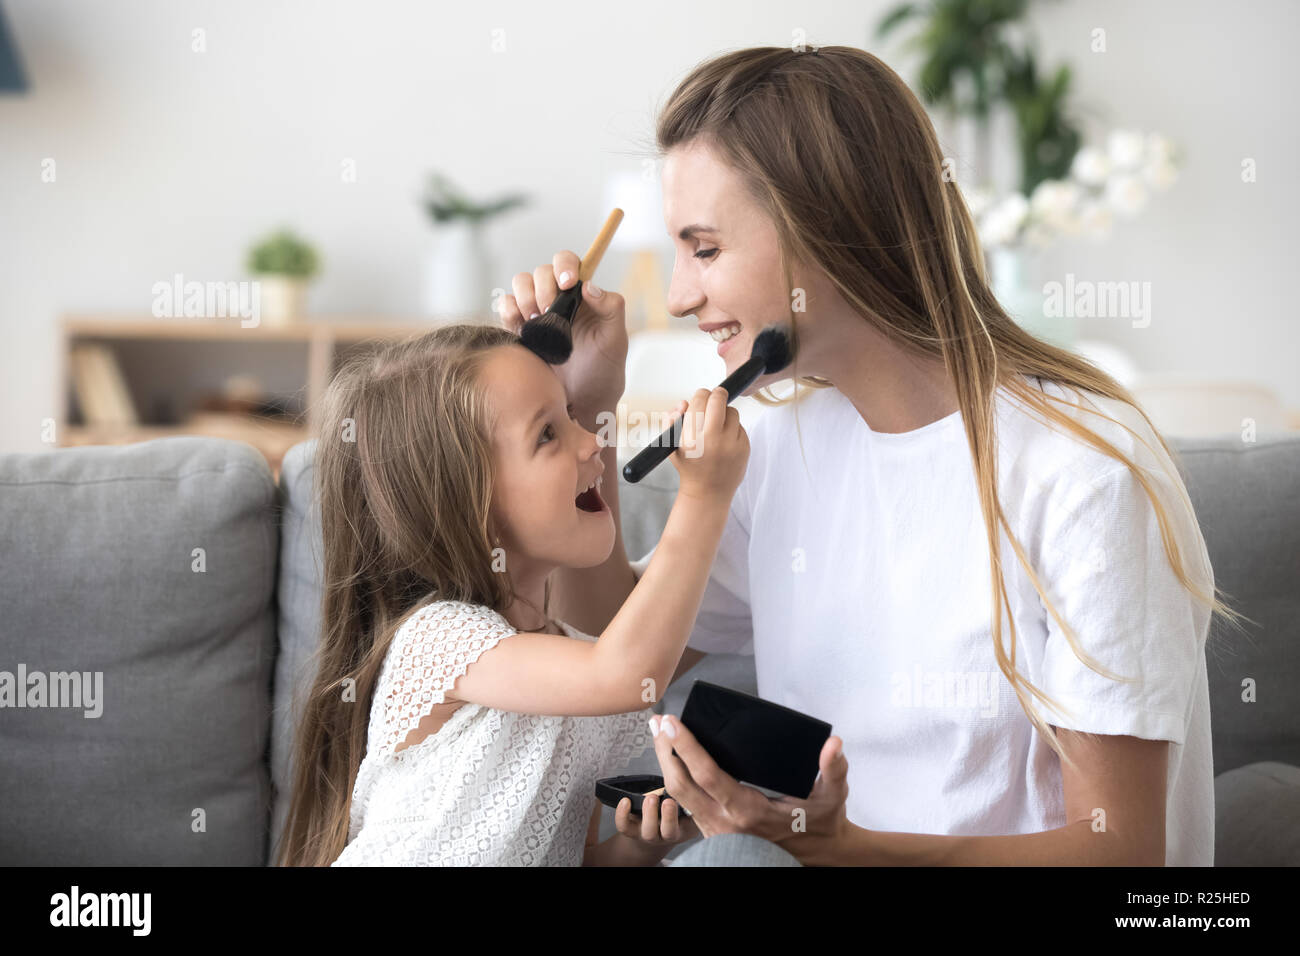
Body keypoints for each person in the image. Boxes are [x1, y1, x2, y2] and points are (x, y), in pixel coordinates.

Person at [498, 46, 1238, 866]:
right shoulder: (777, 444)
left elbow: (1121, 854)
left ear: (831, 229)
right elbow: (617, 642)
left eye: (705, 249)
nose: (676, 296)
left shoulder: (1085, 472)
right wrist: (585, 405)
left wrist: (837, 849)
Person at [275, 323, 746, 866]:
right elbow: (627, 674)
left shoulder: (562, 660)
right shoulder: (437, 639)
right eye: (548, 433)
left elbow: (564, 856)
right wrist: (705, 496)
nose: (592, 440)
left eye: (571, 414)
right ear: (463, 505)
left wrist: (638, 847)